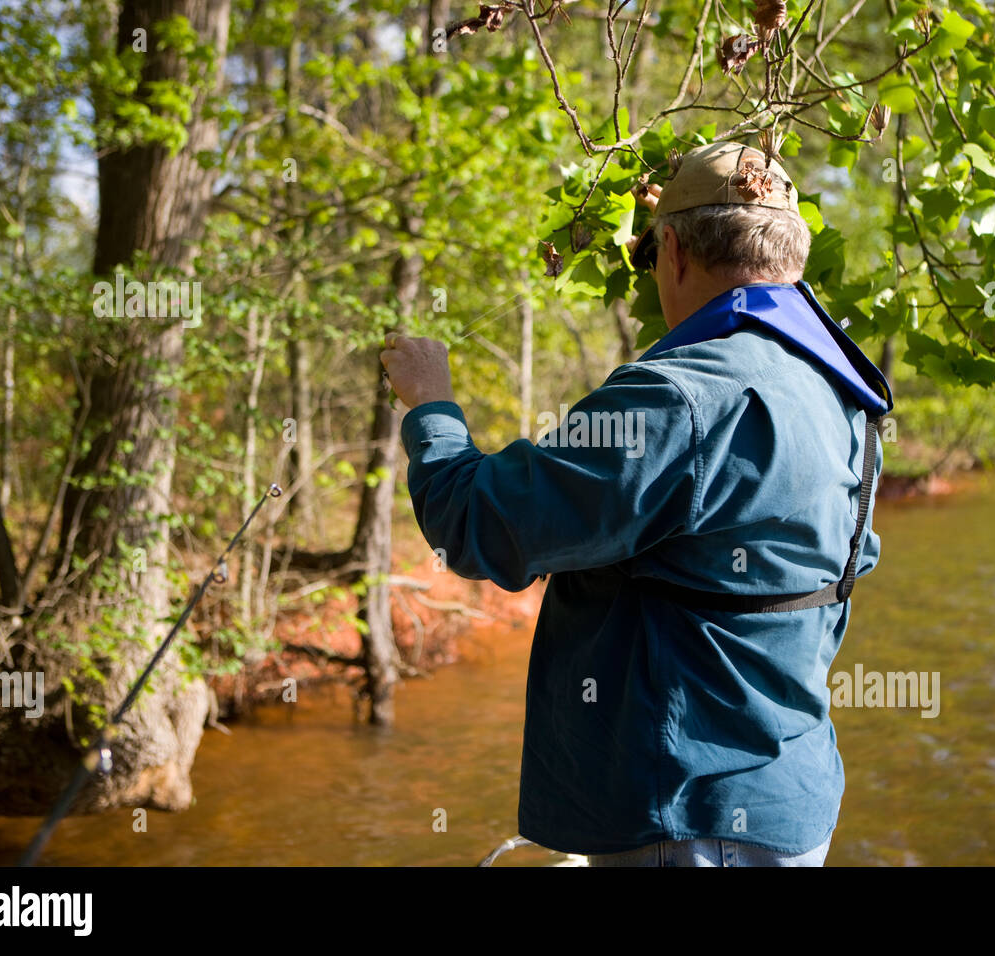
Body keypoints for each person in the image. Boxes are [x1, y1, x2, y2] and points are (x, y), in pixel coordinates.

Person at [379, 140, 893, 867]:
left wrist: (432, 404)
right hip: (796, 808)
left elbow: (476, 525)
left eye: (651, 257)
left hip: (684, 820)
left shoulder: (673, 398)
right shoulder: (850, 403)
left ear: (675, 251)